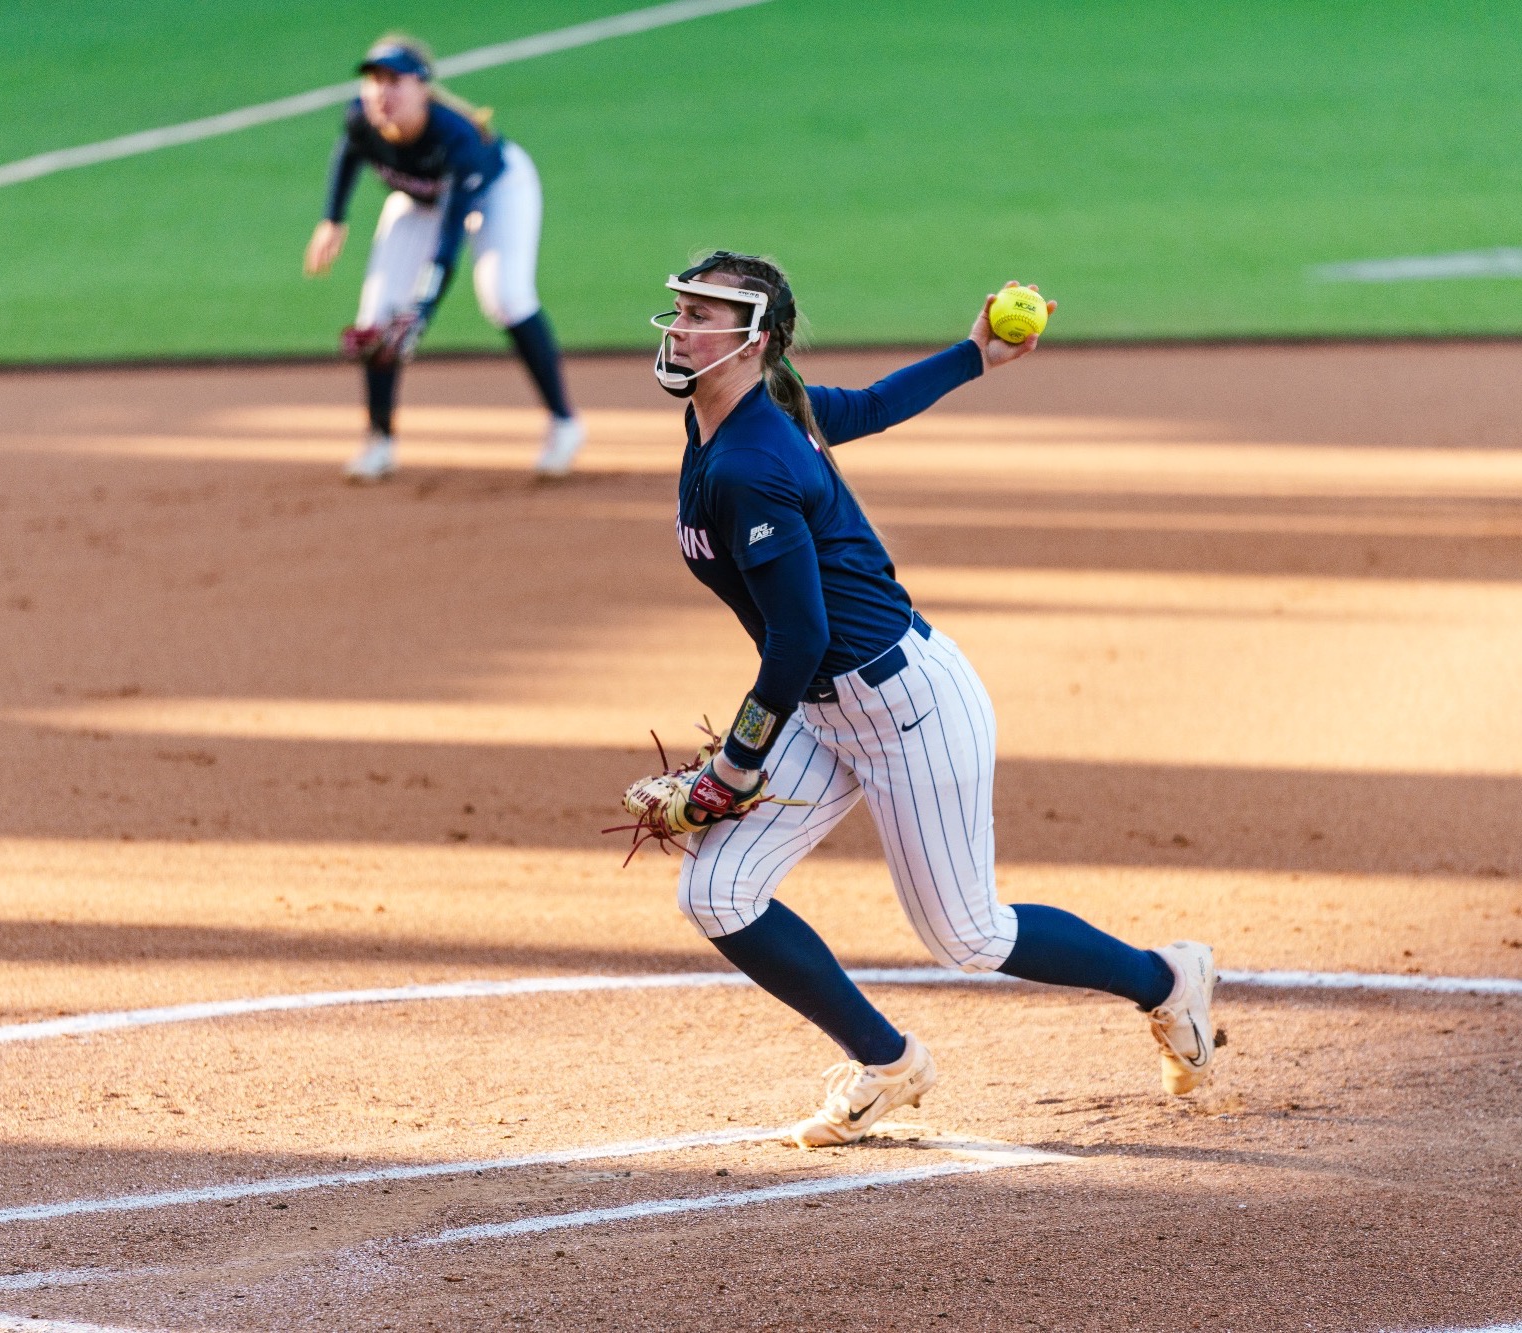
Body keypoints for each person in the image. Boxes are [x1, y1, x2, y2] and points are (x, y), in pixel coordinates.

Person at [638, 251, 1217, 1149]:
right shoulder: (738, 414)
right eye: (680, 308)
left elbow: (798, 636)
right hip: (825, 707)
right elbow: (865, 407)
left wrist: (734, 764)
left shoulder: (753, 458)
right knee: (717, 890)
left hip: (907, 707)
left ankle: (1167, 979)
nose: (680, 326)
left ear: (753, 341)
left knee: (970, 935)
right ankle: (889, 1062)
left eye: (704, 314)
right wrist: (972, 354)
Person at [303, 35, 583, 481]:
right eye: (374, 80)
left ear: (423, 88)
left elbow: (449, 239)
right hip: (420, 200)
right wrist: (332, 220)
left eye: (395, 80)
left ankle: (565, 425)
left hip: (498, 191)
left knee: (506, 296)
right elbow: (350, 151)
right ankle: (379, 442)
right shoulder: (362, 119)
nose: (381, 91)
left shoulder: (457, 137)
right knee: (376, 314)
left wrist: (422, 311)